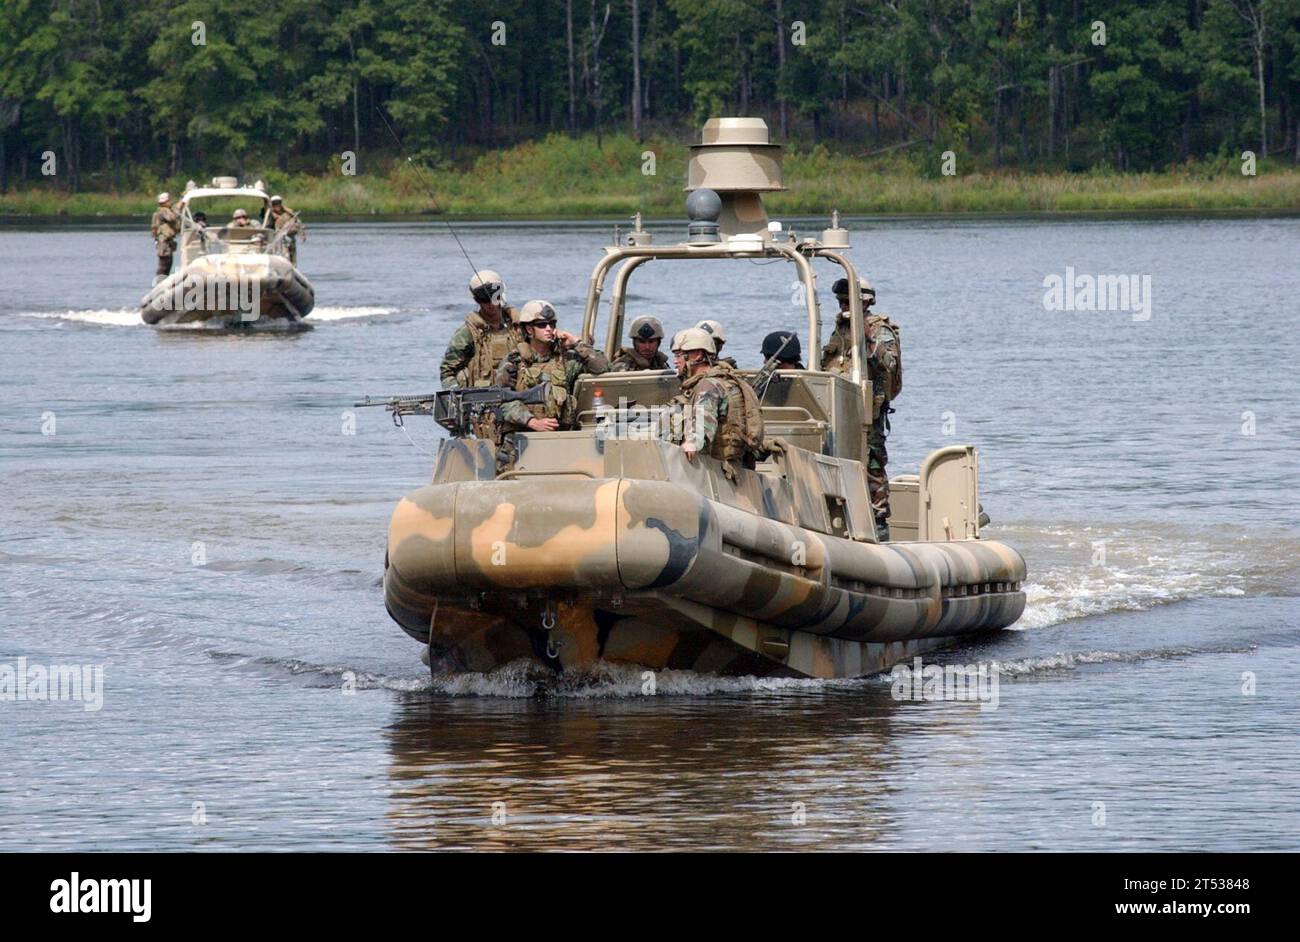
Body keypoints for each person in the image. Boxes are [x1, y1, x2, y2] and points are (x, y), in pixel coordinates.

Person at [821, 275, 902, 538]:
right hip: (838, 405)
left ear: (864, 302)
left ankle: (879, 522)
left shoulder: (880, 330)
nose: (843, 306)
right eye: (840, 301)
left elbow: (889, 363)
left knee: (873, 463)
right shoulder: (840, 329)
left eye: (847, 301)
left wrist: (869, 339)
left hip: (869, 409)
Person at [495, 300, 609, 436]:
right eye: (542, 325)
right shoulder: (514, 361)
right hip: (523, 437)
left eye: (552, 324)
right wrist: (531, 421)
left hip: (560, 436)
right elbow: (501, 399)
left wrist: (576, 344)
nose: (548, 328)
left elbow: (602, 367)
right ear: (529, 329)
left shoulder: (566, 359)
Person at [673, 327, 764, 473]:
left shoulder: (708, 385)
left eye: (679, 355)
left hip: (717, 469)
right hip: (735, 465)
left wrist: (692, 442)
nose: (675, 361)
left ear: (697, 355)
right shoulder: (725, 379)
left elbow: (704, 417)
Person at [440, 270, 521, 389]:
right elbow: (447, 371)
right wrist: (458, 394)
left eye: (495, 296)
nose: (490, 303)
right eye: (484, 298)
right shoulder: (468, 332)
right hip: (484, 399)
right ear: (476, 299)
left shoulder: (519, 326)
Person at [150, 192, 180, 281]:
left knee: (168, 262)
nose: (170, 202)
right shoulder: (163, 211)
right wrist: (176, 209)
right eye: (169, 201)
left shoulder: (162, 211)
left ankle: (163, 280)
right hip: (164, 242)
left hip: (166, 241)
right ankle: (160, 282)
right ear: (165, 202)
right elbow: (172, 218)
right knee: (164, 263)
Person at [268, 195, 303, 264]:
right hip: (279, 241)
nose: (277, 205)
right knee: (284, 259)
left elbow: (298, 222)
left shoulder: (288, 212)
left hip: (290, 238)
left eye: (278, 203)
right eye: (275, 203)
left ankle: (293, 271)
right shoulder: (270, 214)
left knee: (293, 259)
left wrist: (301, 234)